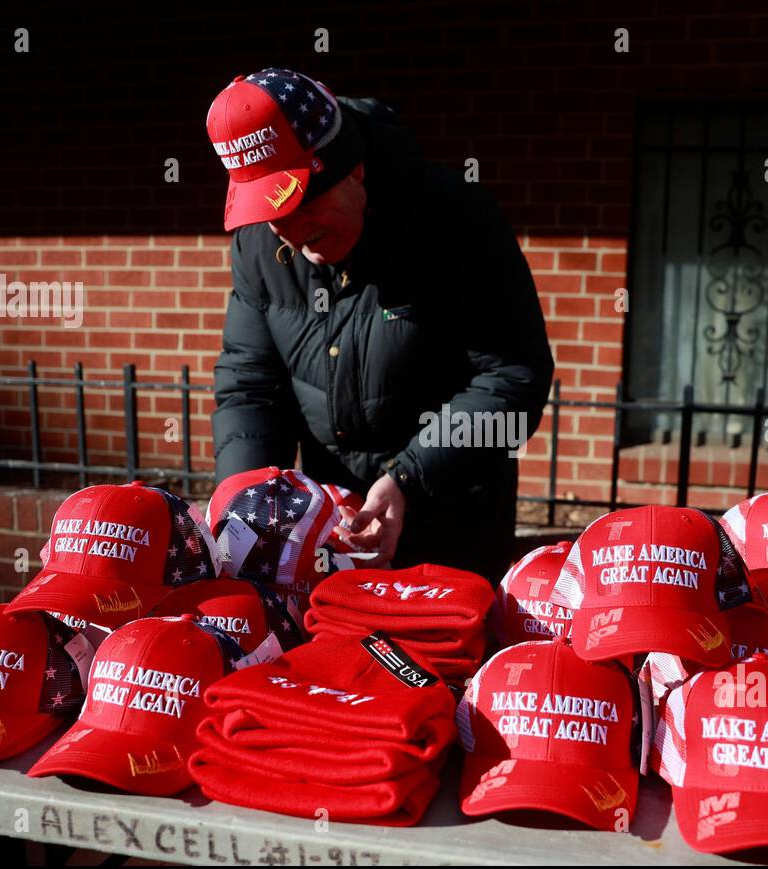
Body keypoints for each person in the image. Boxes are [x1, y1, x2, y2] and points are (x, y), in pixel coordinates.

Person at [206, 68, 554, 582]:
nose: (292, 234)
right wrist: (248, 501)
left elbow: (513, 375)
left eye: (300, 204)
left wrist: (409, 479)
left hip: (452, 521)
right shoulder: (261, 243)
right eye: (270, 211)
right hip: (330, 532)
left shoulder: (454, 219)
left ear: (354, 170)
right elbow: (249, 386)